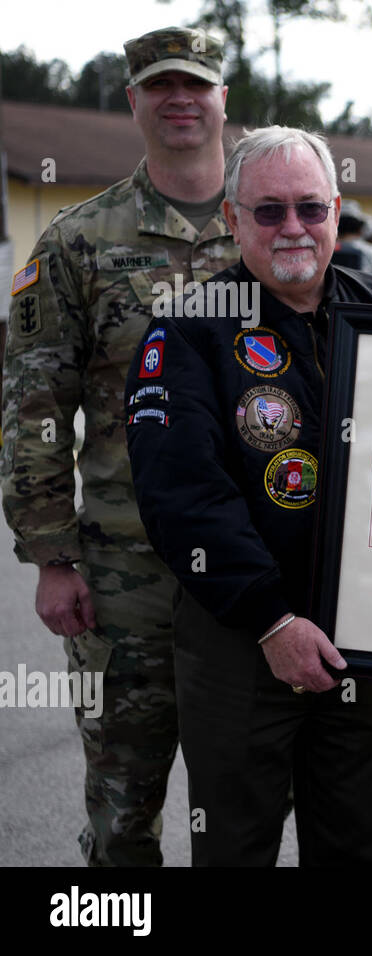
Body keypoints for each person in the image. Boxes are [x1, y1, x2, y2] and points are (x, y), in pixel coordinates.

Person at [124, 126, 372, 866]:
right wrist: (272, 620)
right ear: (231, 219)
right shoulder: (188, 328)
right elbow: (183, 496)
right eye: (269, 211)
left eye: (311, 209)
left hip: (365, 641)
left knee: (353, 845)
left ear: (336, 210)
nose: (293, 228)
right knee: (234, 848)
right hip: (243, 640)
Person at [1, 26, 239, 866]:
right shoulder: (78, 240)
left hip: (251, 568)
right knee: (122, 805)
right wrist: (51, 556)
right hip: (121, 573)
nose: (181, 99)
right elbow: (34, 405)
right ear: (134, 100)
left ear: (222, 98)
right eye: (160, 85)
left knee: (241, 807)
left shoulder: (274, 226)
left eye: (196, 84)